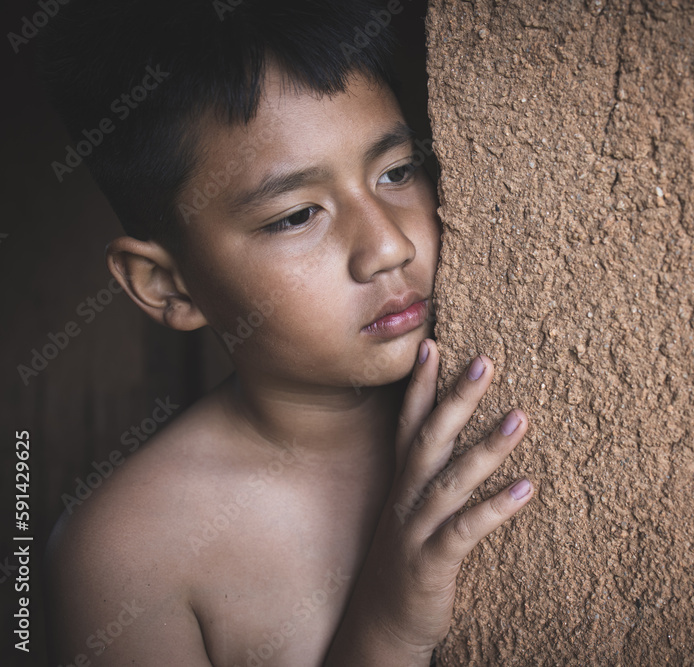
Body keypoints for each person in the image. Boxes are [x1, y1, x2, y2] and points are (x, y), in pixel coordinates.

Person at [37, 1, 533, 664]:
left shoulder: (502, 402)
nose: (387, 246)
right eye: (298, 214)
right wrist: (389, 627)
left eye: (397, 171)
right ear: (167, 284)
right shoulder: (127, 553)